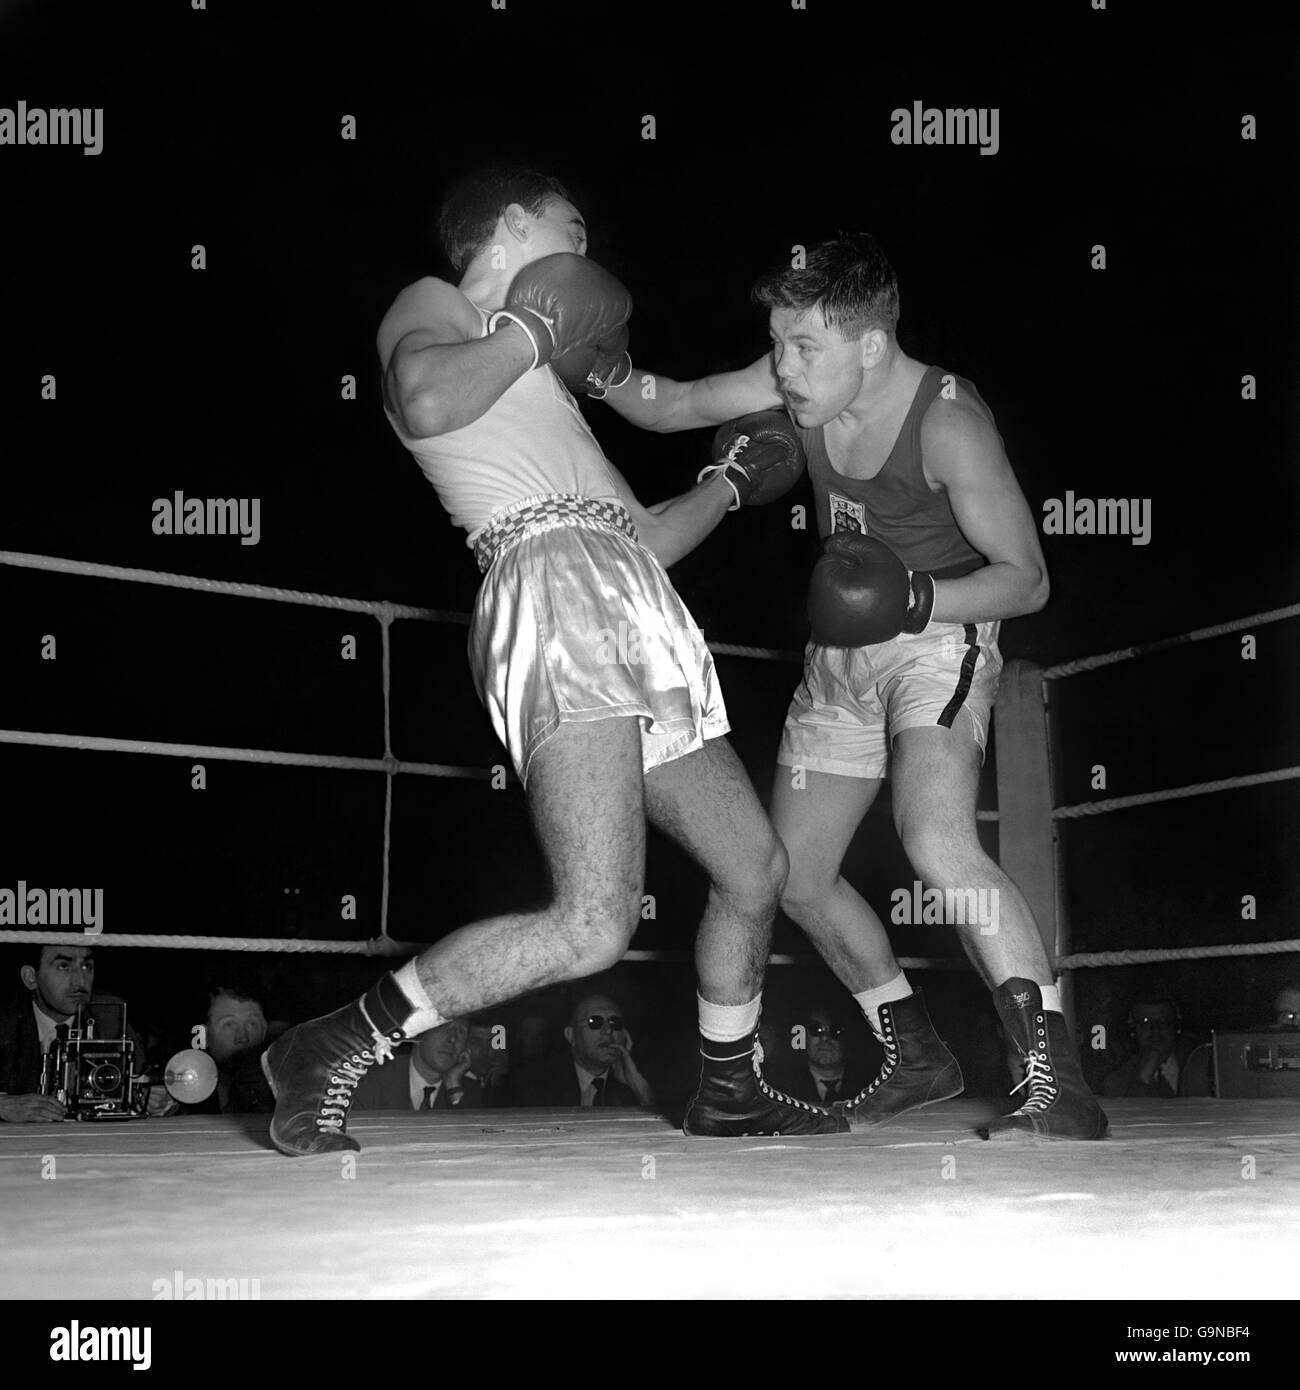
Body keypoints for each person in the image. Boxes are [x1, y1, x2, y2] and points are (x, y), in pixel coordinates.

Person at [259, 168, 846, 1155]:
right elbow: (426, 395)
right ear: (513, 224)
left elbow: (652, 511)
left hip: (631, 600)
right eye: (571, 222)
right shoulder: (439, 306)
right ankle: (329, 1046)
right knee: (591, 922)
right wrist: (530, 331)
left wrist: (736, 473)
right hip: (552, 588)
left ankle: (727, 1086)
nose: (587, 239)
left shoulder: (545, 368)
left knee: (755, 866)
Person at [598, 230, 1107, 1141]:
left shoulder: (948, 422)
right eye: (780, 344)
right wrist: (592, 369)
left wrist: (912, 600)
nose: (783, 370)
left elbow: (1027, 578)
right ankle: (913, 1050)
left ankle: (1052, 1071)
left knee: (934, 835)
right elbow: (672, 404)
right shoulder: (803, 380)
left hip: (935, 639)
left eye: (804, 348)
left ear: (870, 343)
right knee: (791, 876)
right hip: (836, 658)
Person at [0, 944, 174, 1121]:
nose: (80, 982)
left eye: (86, 966)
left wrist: (152, 1100)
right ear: (30, 978)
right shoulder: (6, 1018)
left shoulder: (109, 1014)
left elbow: (144, 1083)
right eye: (64, 966)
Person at [511, 992, 653, 1107]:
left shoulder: (642, 1080)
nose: (608, 1031)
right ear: (571, 1035)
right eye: (595, 1022)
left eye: (615, 1023)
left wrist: (638, 1088)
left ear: (625, 1036)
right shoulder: (536, 1083)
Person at [352, 1019, 494, 1111]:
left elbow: (471, 1139)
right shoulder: (372, 1081)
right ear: (419, 1034)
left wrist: (453, 1084)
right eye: (443, 1027)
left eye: (461, 1032)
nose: (452, 1039)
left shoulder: (467, 1089)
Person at [1101, 992, 1209, 1099]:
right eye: (1145, 1023)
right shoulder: (1116, 1082)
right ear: (1133, 1029)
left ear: (1176, 1025)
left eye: (1164, 1022)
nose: (1155, 1030)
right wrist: (1144, 1078)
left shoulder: (1204, 1064)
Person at [767, 1005, 877, 1106]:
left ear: (848, 1038)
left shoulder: (875, 1084)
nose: (825, 1038)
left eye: (835, 1030)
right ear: (804, 1036)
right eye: (816, 1029)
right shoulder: (777, 1088)